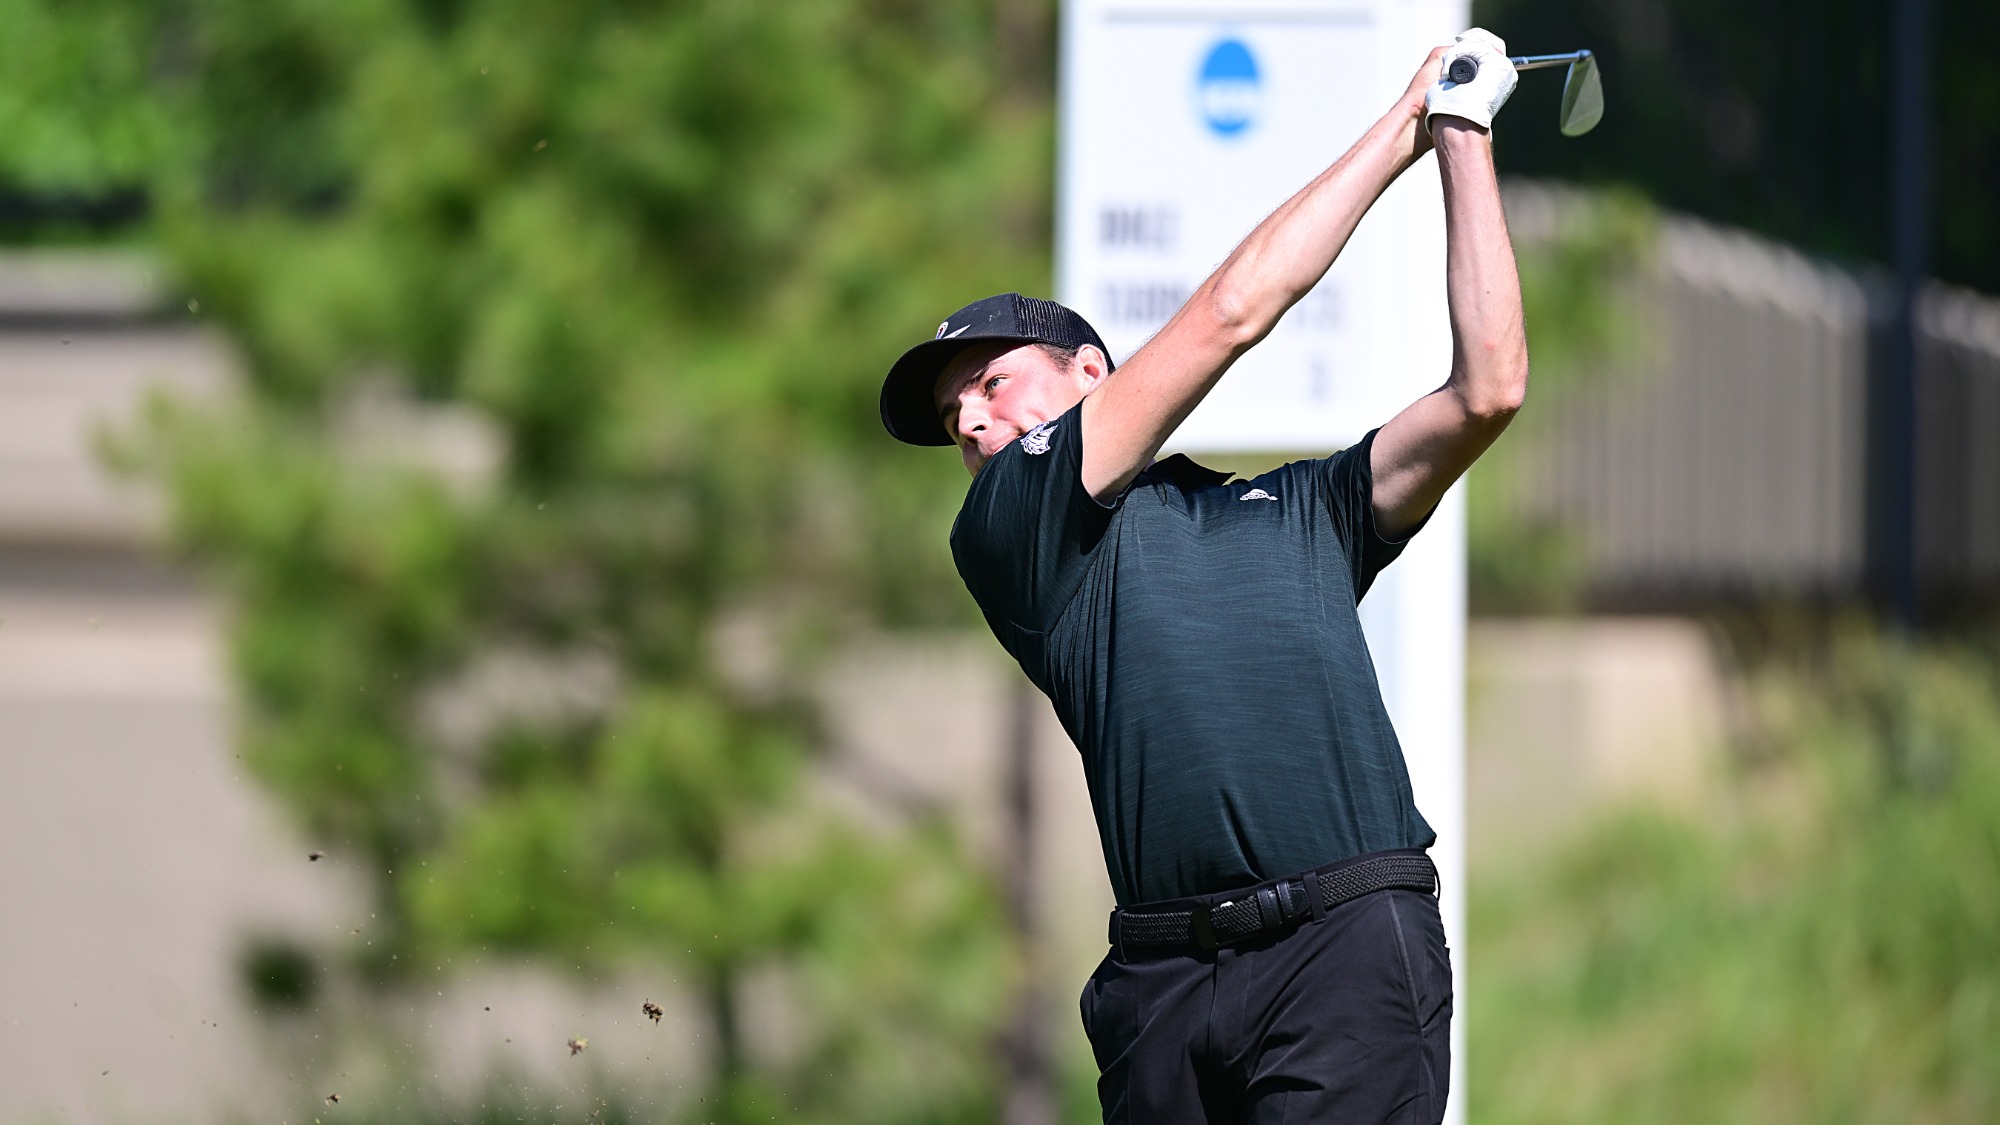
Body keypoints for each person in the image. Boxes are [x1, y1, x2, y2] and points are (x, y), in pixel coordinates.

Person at [878, 30, 1525, 1125]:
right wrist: (1405, 122)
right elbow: (1234, 310)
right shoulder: (1015, 533)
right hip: (1164, 984)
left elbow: (1486, 391)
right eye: (954, 422)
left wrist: (1460, 132)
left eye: (988, 385)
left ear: (1091, 372)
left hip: (1345, 948)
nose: (973, 423)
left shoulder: (1303, 511)